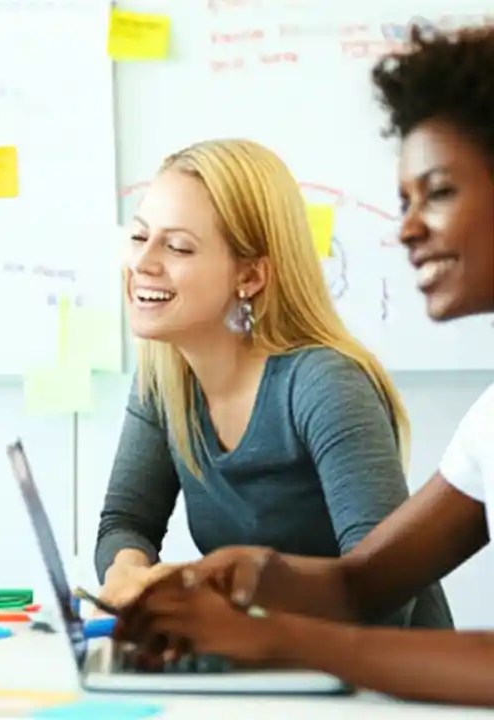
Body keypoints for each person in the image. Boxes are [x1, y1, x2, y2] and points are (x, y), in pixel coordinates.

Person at [114, 25, 494, 706]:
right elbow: (364, 581)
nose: (405, 228)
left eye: (436, 194)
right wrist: (251, 574)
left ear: (251, 276)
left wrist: (279, 637)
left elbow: (385, 607)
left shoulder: (324, 383)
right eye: (403, 201)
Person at [94, 136, 451, 629]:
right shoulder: (163, 377)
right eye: (139, 237)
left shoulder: (325, 385)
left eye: (177, 246)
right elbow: (125, 524)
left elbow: (385, 597)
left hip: (386, 686)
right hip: (264, 670)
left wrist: (207, 590)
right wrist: (129, 572)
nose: (144, 262)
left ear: (251, 277)